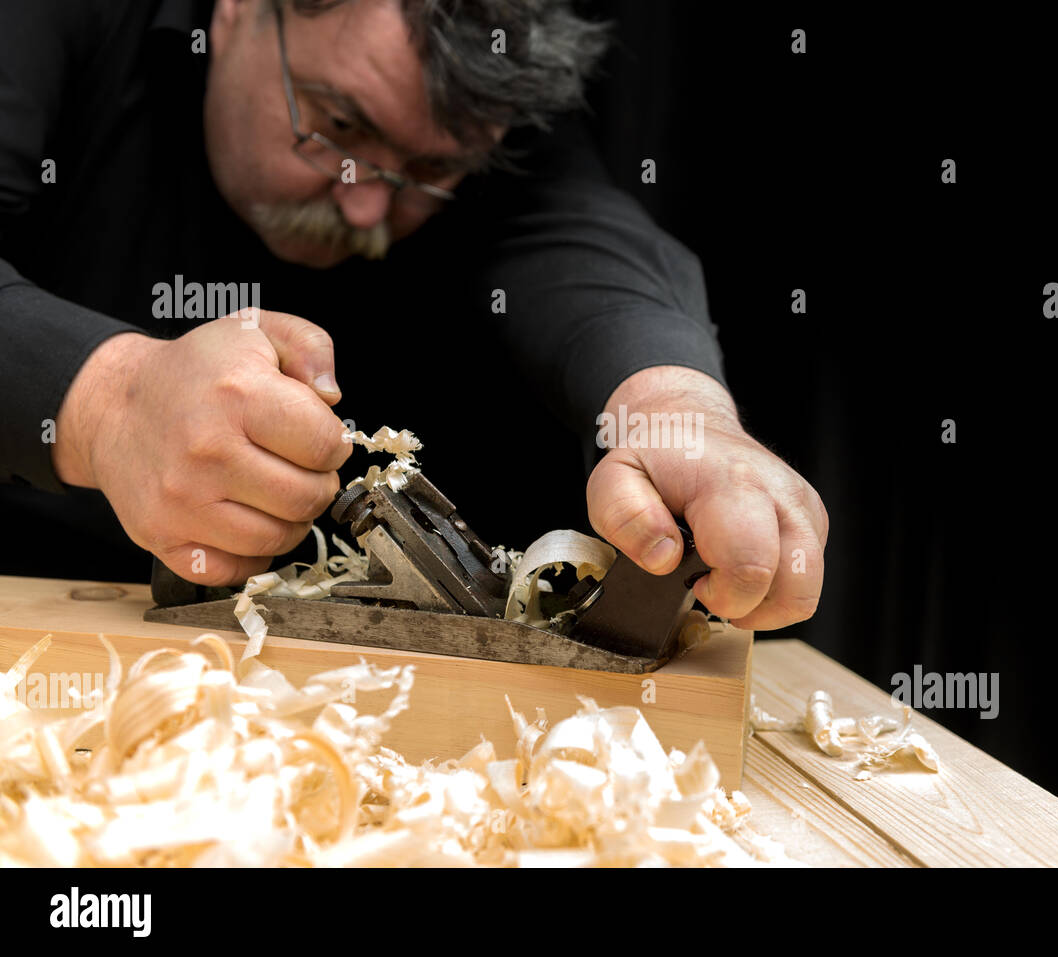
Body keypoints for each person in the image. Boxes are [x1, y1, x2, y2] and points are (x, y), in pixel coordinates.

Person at [0, 0, 826, 631]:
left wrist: (673, 408)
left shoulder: (472, 86)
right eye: (340, 124)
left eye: (432, 168)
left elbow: (571, 229)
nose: (366, 208)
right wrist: (108, 402)